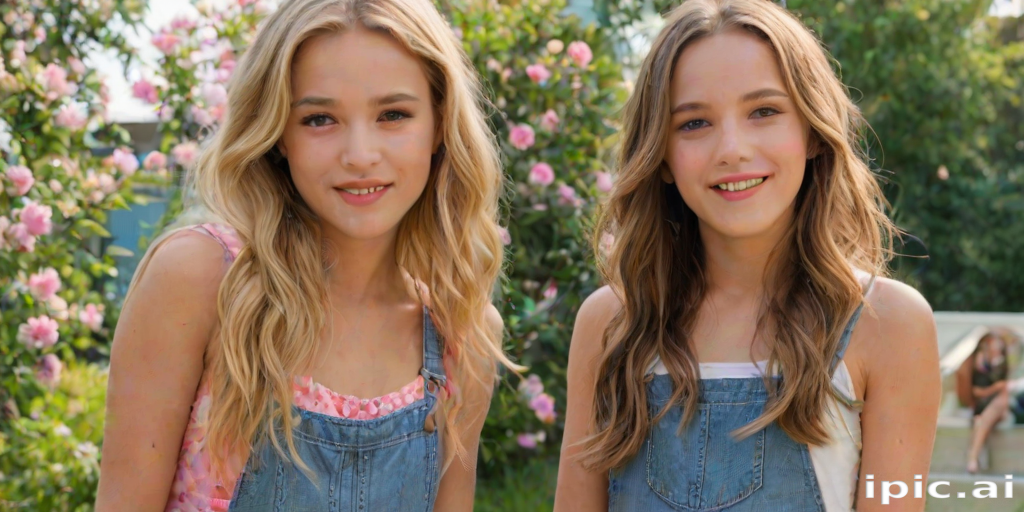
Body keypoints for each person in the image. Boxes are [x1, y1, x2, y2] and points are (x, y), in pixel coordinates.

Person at [94, 0, 515, 510]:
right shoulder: (201, 280)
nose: (359, 154)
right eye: (319, 119)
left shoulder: (461, 337)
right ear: (278, 137)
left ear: (440, 125)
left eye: (393, 114)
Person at [554, 0, 940, 510]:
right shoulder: (610, 323)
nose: (731, 149)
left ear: (813, 134)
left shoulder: (888, 324)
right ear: (661, 156)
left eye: (764, 111)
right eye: (693, 123)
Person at [966, 332, 1011, 474]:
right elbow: (977, 391)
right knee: (981, 420)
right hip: (985, 408)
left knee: (999, 402)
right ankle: (975, 459)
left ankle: (972, 458)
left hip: (1001, 408)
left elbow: (1004, 388)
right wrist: (993, 388)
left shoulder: (1002, 365)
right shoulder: (980, 366)